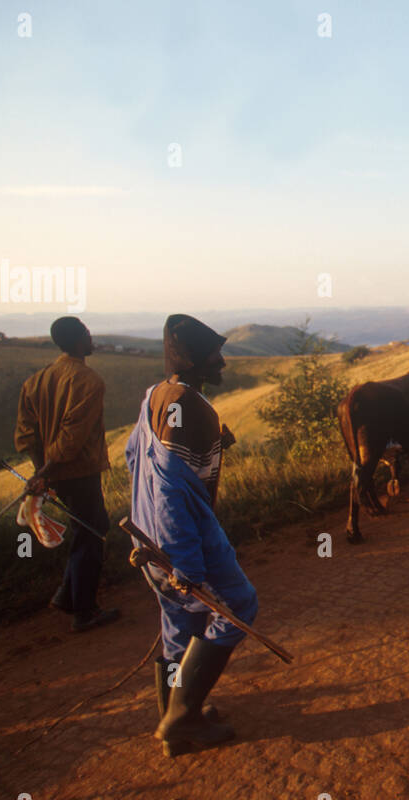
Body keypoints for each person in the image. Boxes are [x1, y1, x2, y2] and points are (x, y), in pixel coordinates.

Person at [126, 314, 254, 756]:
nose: (222, 362)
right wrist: (187, 563)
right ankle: (183, 713)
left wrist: (215, 445)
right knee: (238, 602)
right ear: (196, 359)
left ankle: (177, 719)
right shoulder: (191, 406)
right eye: (214, 355)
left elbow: (135, 458)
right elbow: (170, 490)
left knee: (182, 621)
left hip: (147, 536)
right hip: (183, 537)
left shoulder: (155, 396)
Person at [14, 316, 119, 632]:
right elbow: (72, 436)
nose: (91, 338)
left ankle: (68, 597)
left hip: (54, 471)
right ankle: (83, 611)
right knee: (92, 530)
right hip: (79, 470)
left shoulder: (35, 381)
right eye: (87, 333)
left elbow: (26, 435)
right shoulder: (88, 381)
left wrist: (41, 469)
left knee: (86, 528)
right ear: (78, 341)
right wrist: (47, 469)